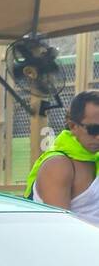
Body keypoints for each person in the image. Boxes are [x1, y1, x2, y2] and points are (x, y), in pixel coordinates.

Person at [26, 90, 99, 225]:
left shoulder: (94, 158)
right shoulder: (58, 166)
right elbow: (59, 229)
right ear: (73, 126)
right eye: (94, 130)